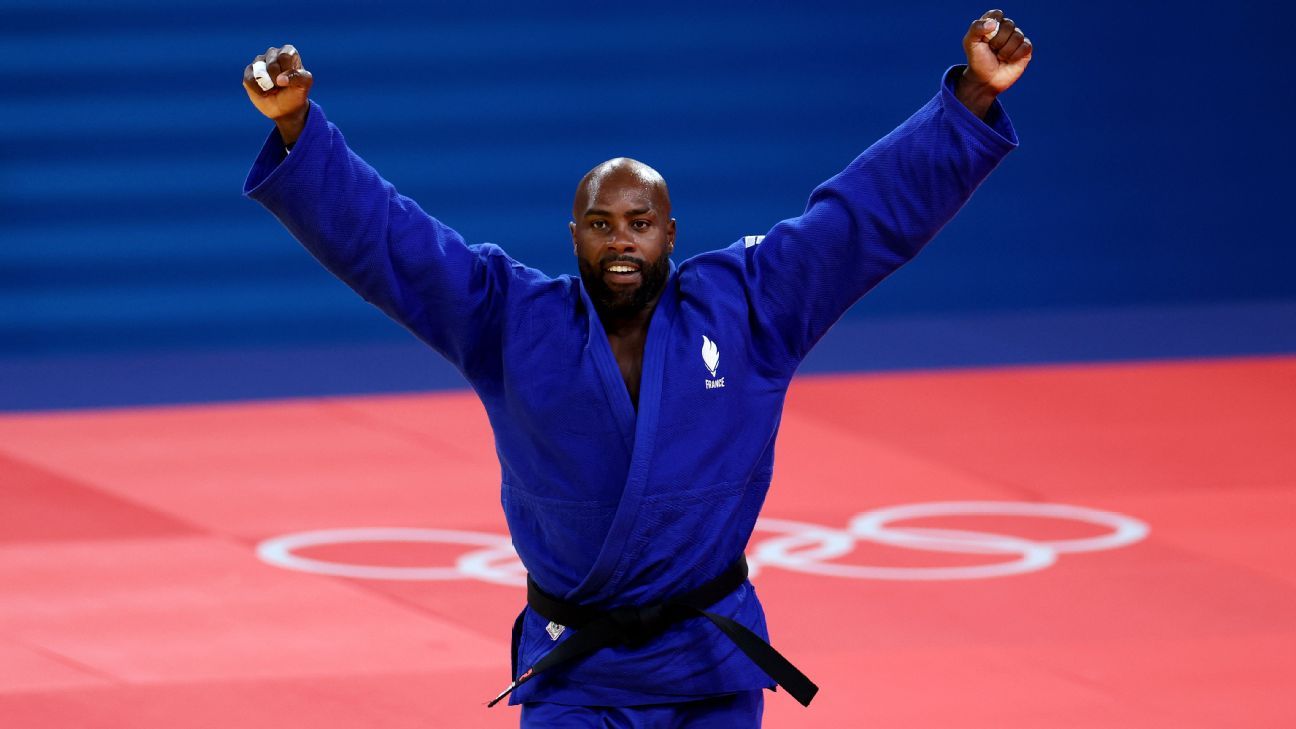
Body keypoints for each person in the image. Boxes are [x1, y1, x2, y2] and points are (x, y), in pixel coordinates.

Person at [241, 9, 1031, 727]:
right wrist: (298, 131)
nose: (621, 241)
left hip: (708, 671)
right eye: (600, 224)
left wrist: (969, 104)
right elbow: (396, 246)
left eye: (640, 223)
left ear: (670, 233)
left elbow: (858, 220)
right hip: (577, 674)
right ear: (574, 236)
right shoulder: (510, 321)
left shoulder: (751, 308)